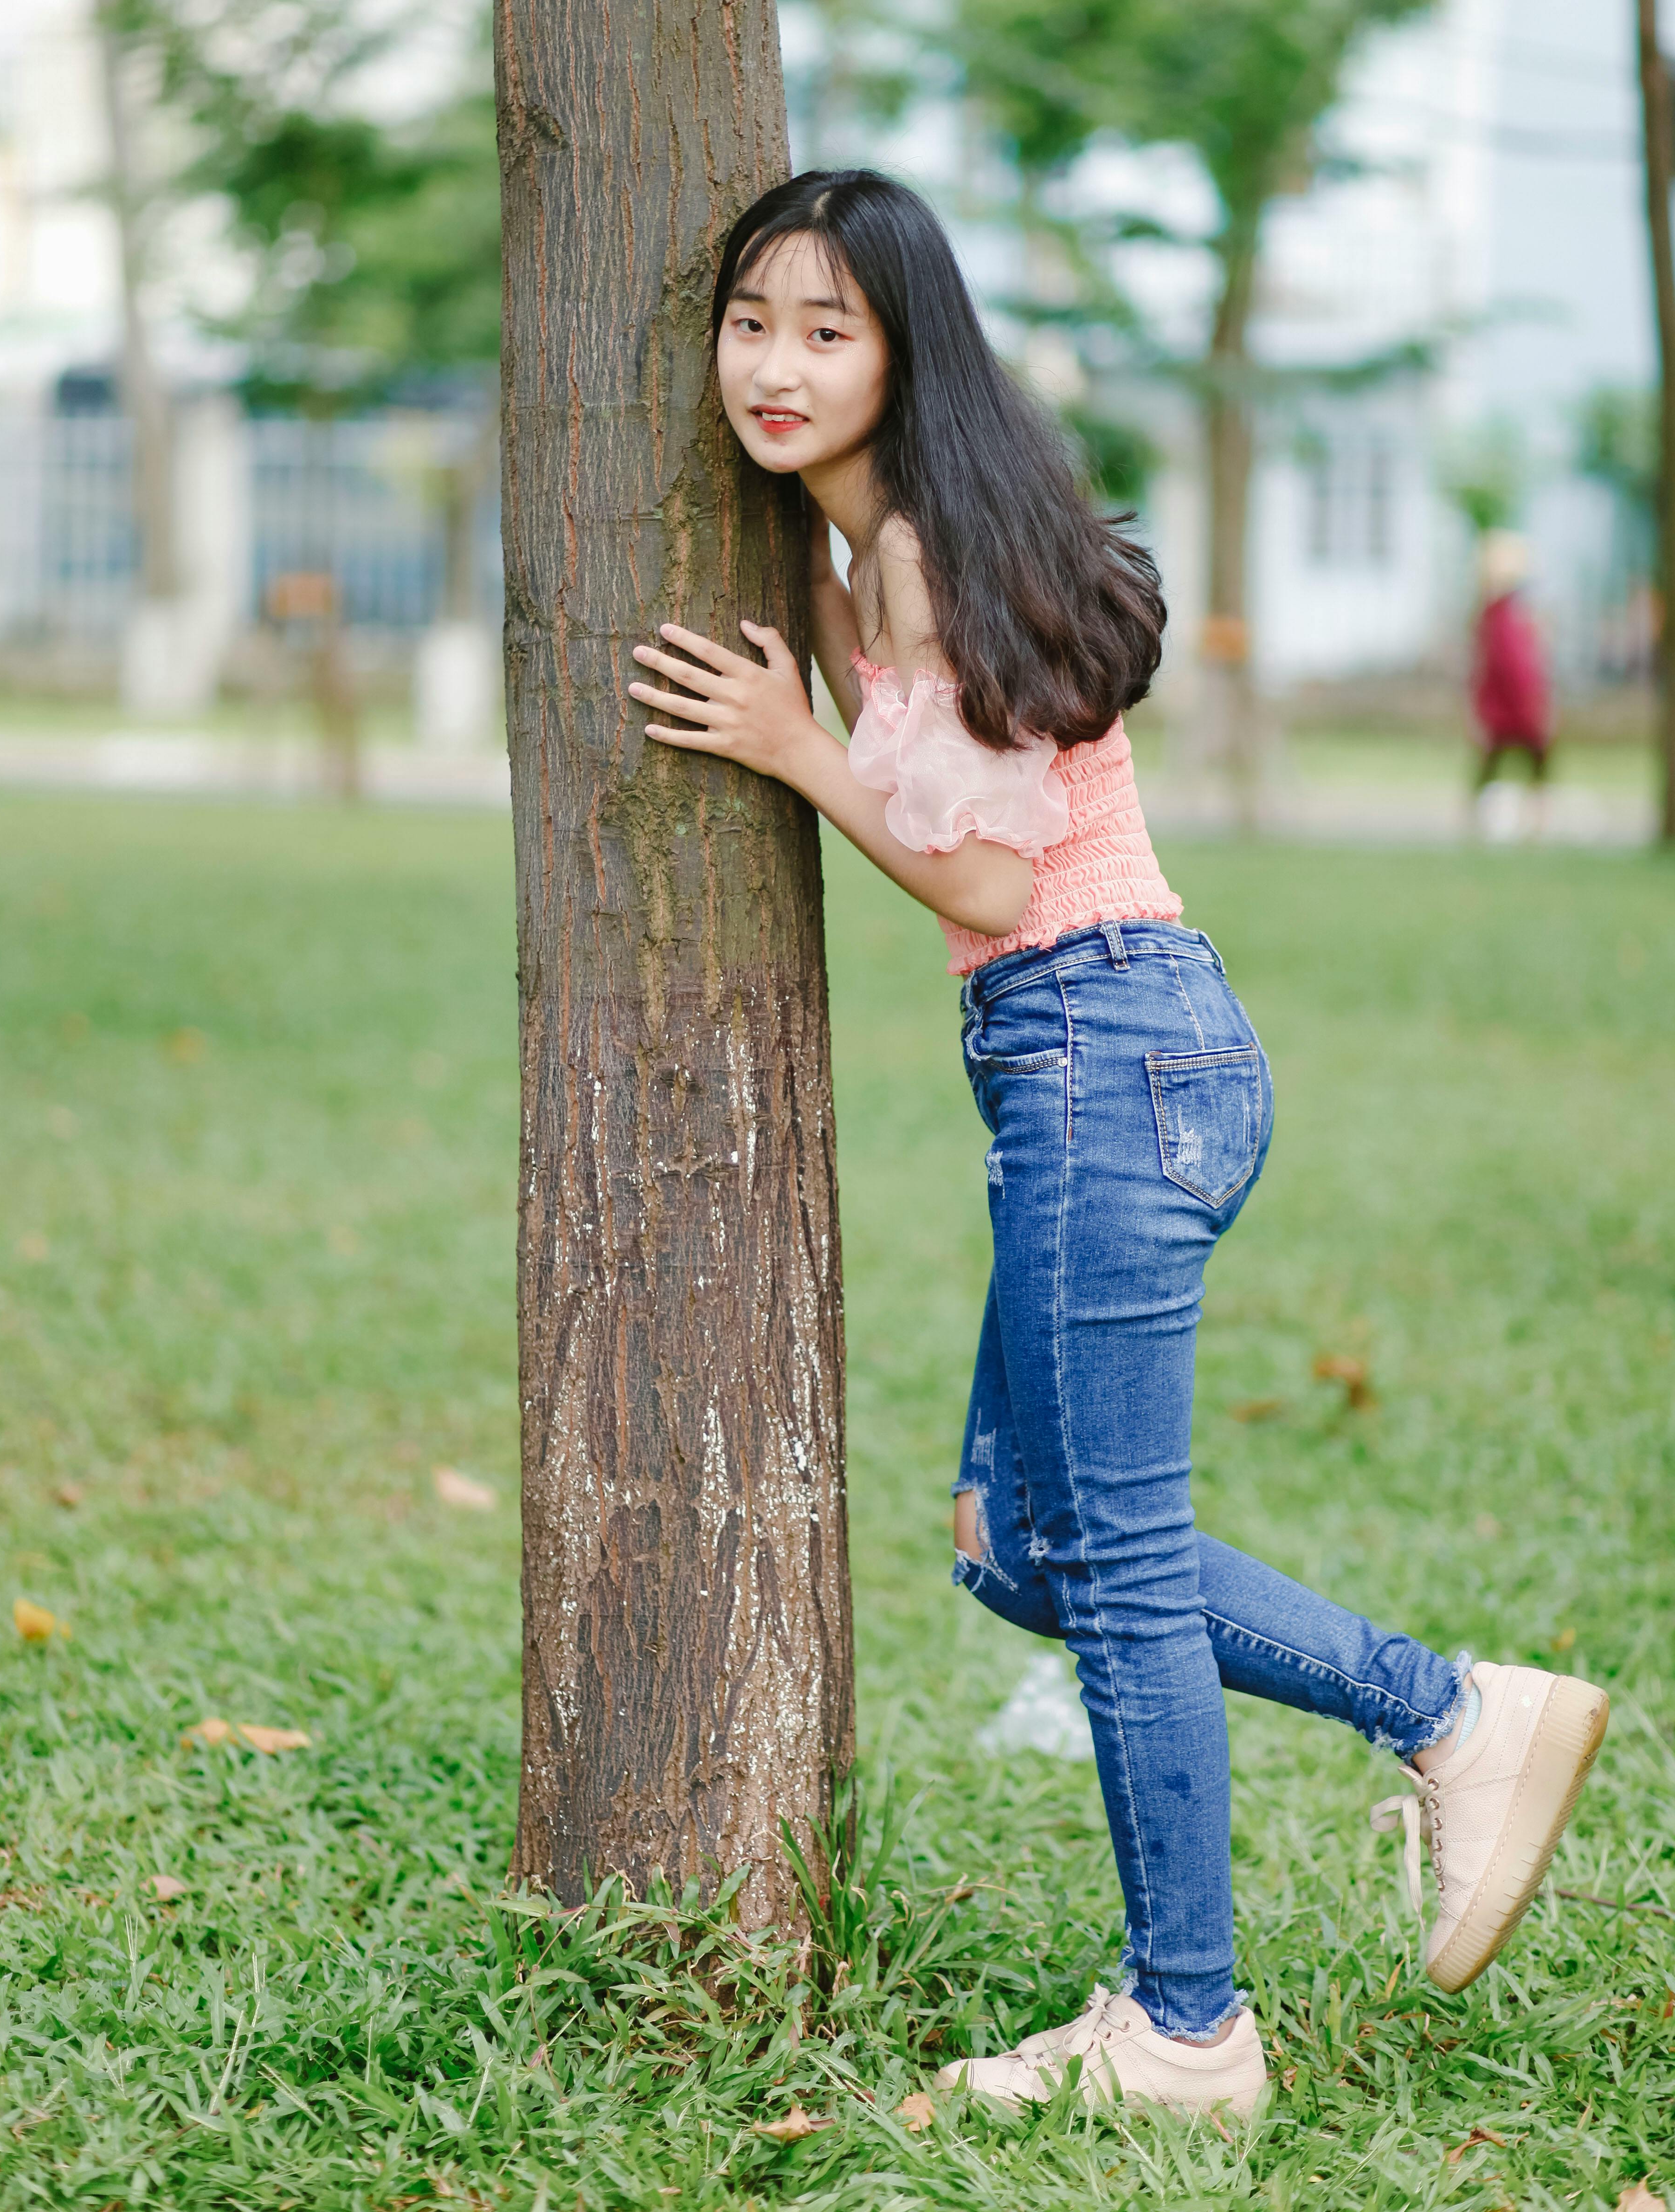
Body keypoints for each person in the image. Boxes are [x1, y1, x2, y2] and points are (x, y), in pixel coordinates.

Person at [629, 169, 1608, 2119]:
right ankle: (1453, 1715)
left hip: (1104, 1042)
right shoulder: (875, 544)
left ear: (905, 348)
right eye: (750, 321)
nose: (774, 364)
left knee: (1120, 1562)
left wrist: (794, 747)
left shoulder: (923, 553)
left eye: (827, 328)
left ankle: (1187, 2026)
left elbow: (994, 883)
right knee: (1016, 1544)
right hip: (1093, 1057)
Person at [1471, 530, 1553, 836]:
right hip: (1513, 710)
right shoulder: (1506, 619)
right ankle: (1535, 820)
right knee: (1532, 763)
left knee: (1494, 766)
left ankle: (1527, 819)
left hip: (1500, 709)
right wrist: (1534, 708)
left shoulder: (1494, 617)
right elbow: (1515, 670)